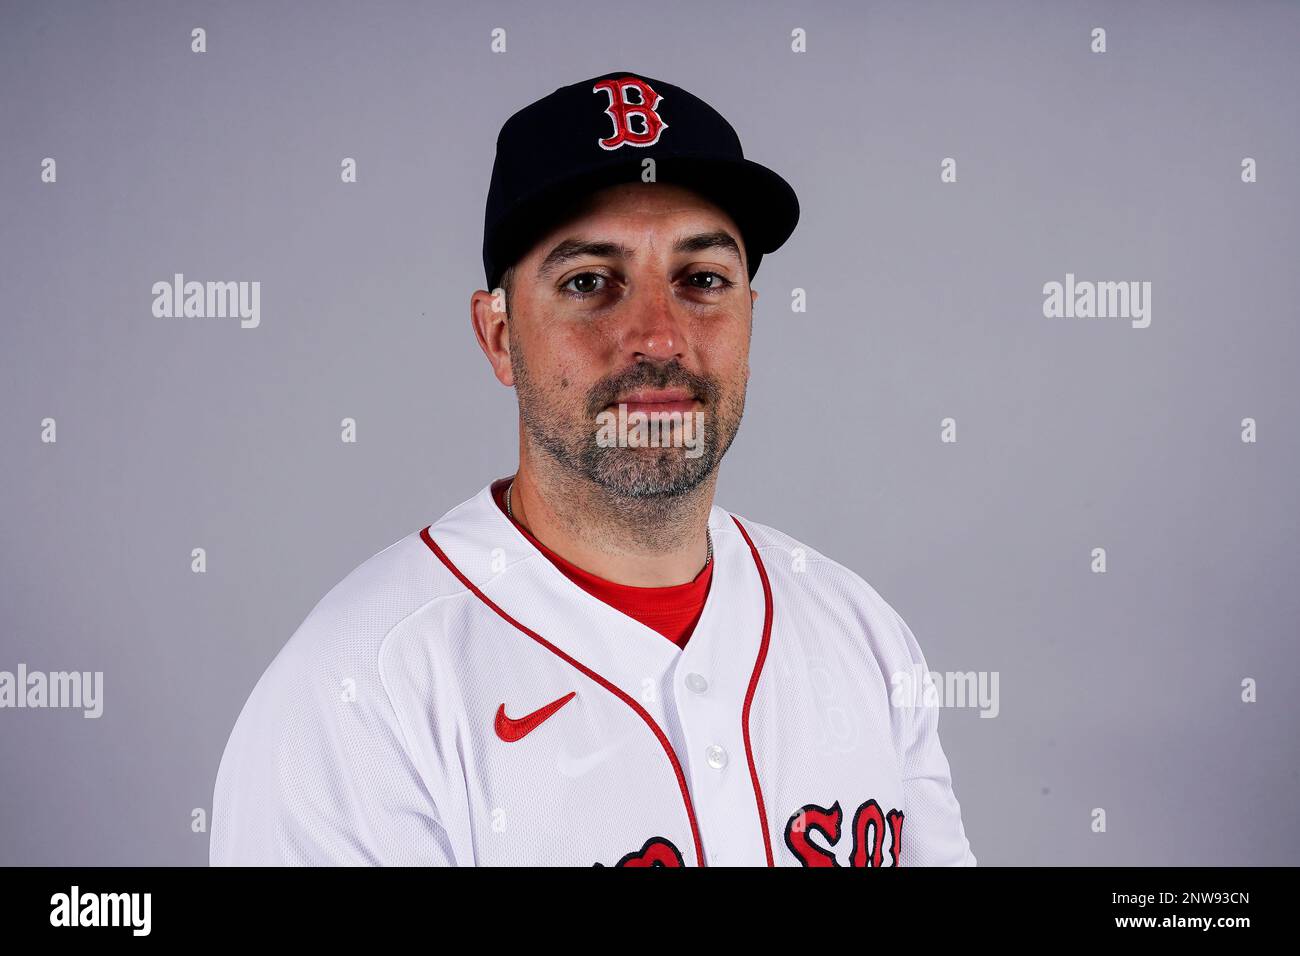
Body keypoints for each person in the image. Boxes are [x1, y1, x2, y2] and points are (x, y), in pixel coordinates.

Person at [210, 70, 976, 867]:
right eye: (589, 282)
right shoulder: (359, 693)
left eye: (702, 280)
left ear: (751, 313)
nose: (658, 336)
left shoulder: (864, 634)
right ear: (499, 336)